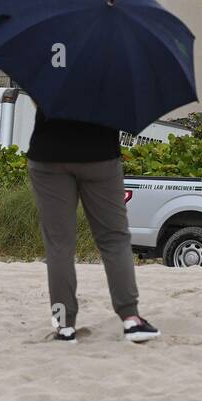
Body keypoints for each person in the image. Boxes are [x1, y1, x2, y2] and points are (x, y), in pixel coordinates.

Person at [27, 111, 159, 342]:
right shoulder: (112, 73)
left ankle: (64, 326)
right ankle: (131, 319)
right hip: (100, 152)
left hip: (48, 152)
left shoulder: (47, 73)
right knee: (114, 240)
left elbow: (39, 99)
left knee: (59, 245)